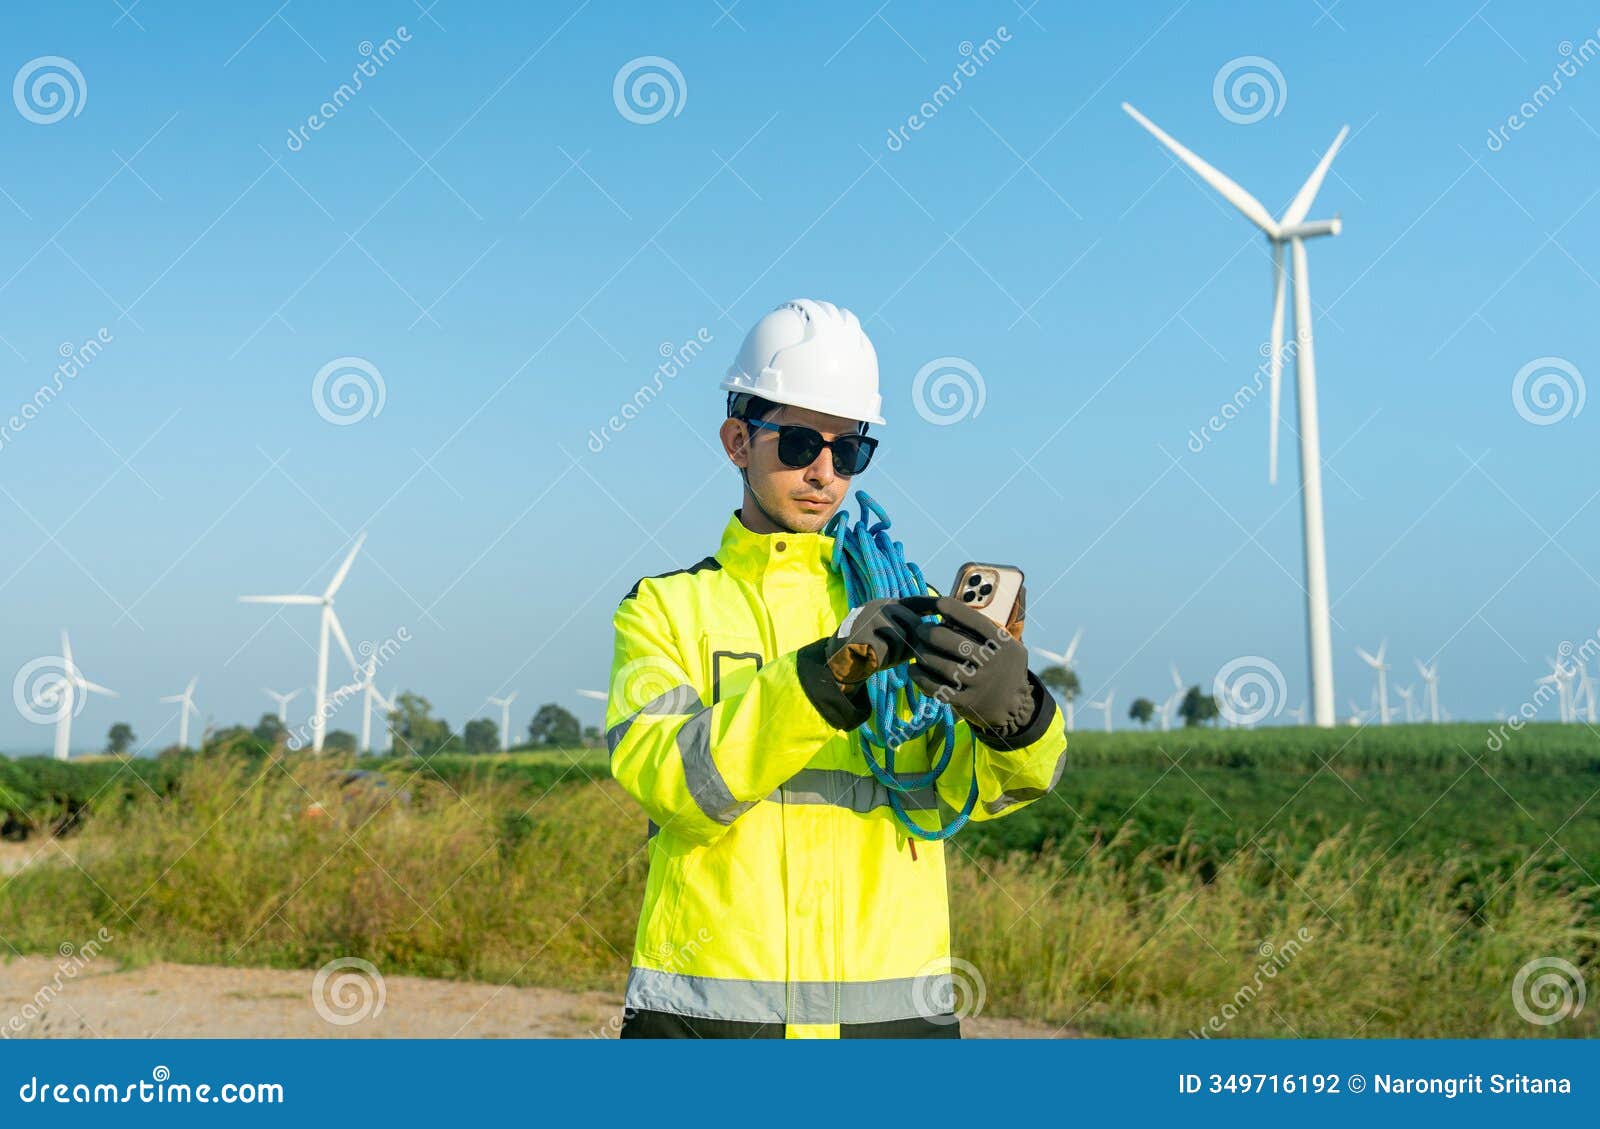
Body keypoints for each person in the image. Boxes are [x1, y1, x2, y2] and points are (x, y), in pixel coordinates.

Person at [607, 298, 1068, 1038]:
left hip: (889, 1026)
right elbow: (673, 786)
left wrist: (1012, 713)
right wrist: (821, 681)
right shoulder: (665, 610)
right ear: (737, 441)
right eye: (796, 442)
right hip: (712, 1025)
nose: (823, 471)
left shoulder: (907, 612)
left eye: (847, 451)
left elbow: (968, 793)